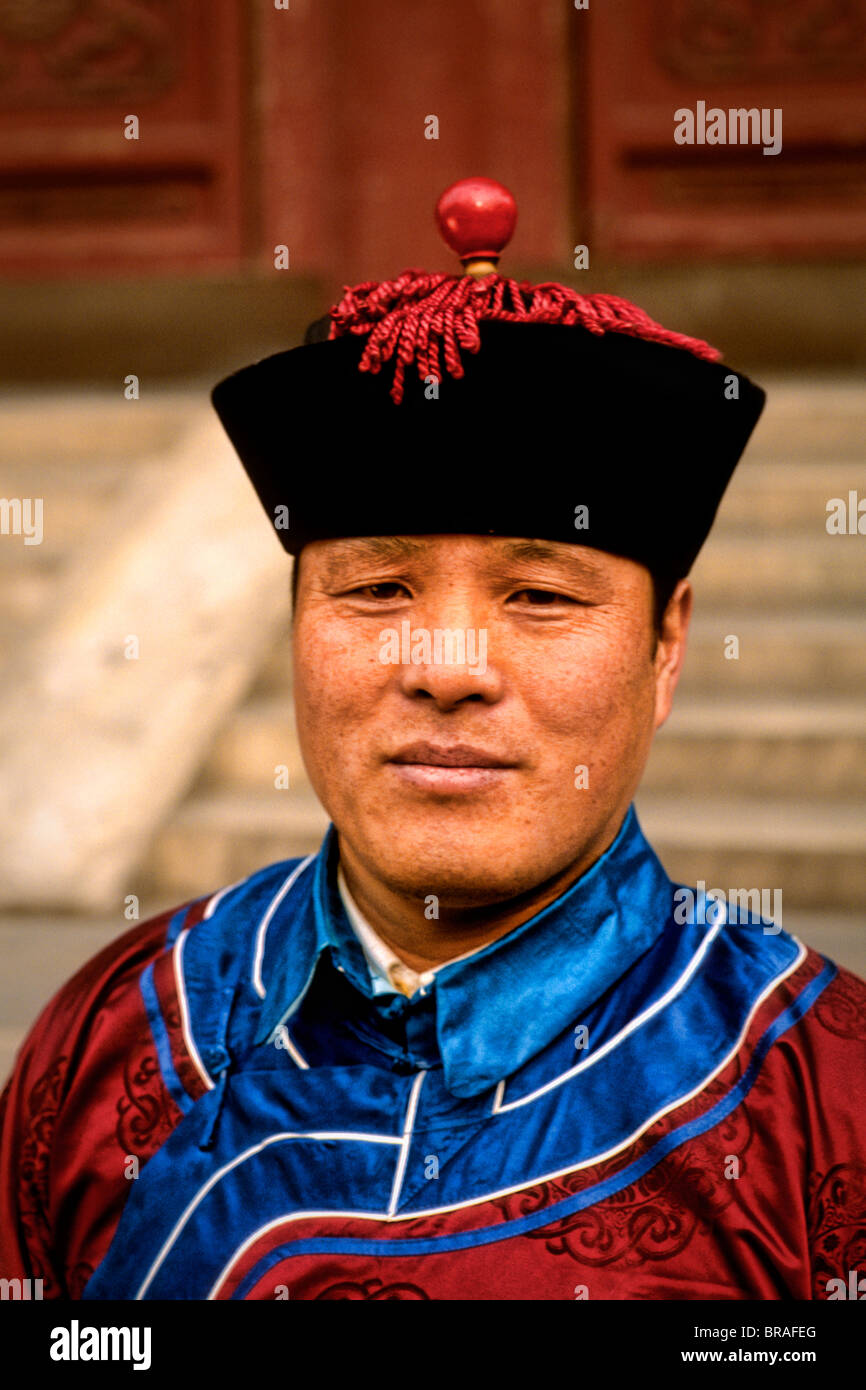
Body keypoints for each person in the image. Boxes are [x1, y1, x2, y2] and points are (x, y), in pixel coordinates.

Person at [1, 179, 864, 1302]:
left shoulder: (821, 1096)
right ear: (296, 623)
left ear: (665, 646)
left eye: (541, 597)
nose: (447, 667)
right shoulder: (113, 1032)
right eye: (376, 588)